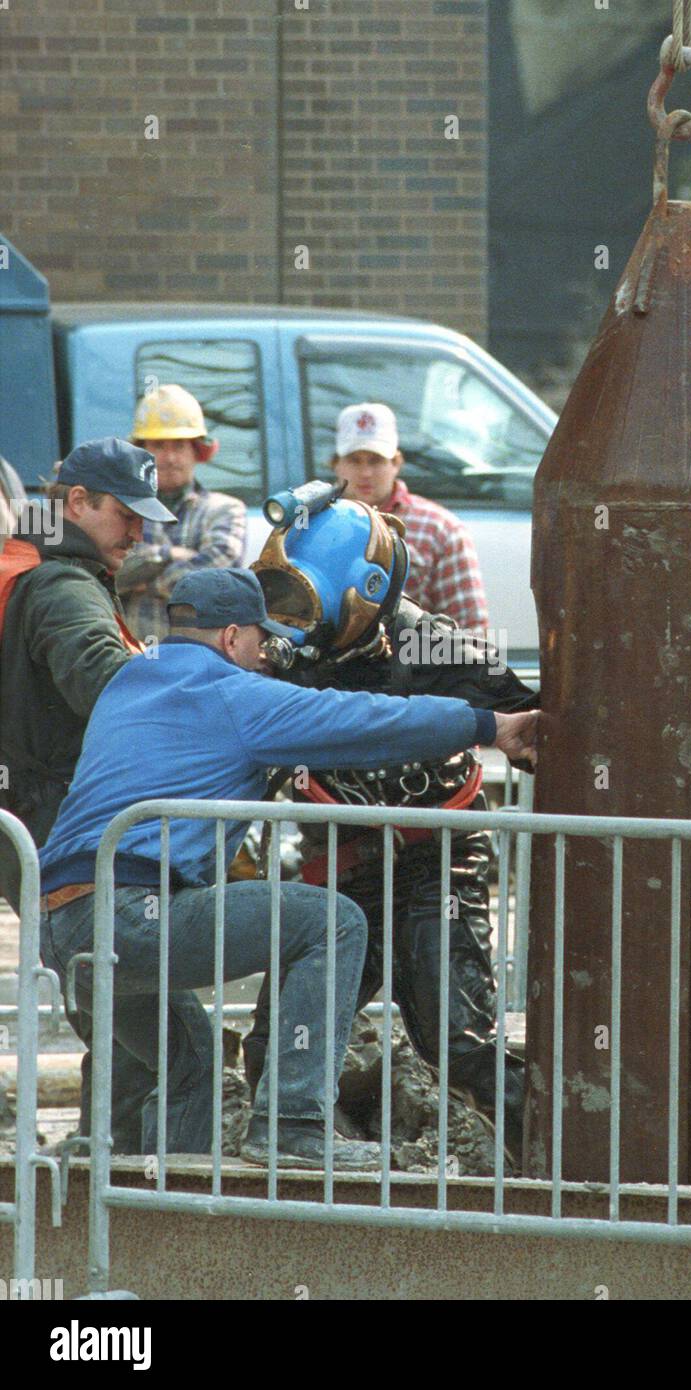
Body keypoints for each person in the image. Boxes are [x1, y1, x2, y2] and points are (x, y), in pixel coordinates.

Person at [37, 567, 538, 1169]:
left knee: (187, 1061)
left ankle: (156, 1200)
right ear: (229, 638)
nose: (265, 653)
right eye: (257, 639)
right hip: (134, 916)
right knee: (332, 923)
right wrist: (489, 725)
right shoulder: (234, 697)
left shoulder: (130, 680)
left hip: (64, 931)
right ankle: (292, 1125)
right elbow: (359, 720)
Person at [246, 480, 537, 1163]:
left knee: (457, 1042)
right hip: (339, 867)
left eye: (306, 603)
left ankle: (547, 1166)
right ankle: (285, 1171)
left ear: (366, 592)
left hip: (435, 860)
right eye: (283, 603)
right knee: (278, 1038)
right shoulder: (292, 656)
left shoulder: (431, 646)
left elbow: (533, 724)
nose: (295, 625)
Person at [0, 438, 176, 1146]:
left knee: (115, 999)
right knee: (135, 1006)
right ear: (76, 502)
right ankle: (119, 1168)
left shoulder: (53, 572)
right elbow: (102, 681)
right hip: (59, 829)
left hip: (39, 823)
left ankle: (110, 1154)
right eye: (124, 513)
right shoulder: (64, 586)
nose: (137, 531)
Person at [330, 402, 489, 633]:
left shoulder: (441, 529)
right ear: (336, 464)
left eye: (376, 460)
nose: (365, 473)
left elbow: (471, 632)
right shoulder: (313, 522)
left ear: (396, 463)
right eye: (354, 460)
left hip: (414, 662)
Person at [117, 384, 247, 642]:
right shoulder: (122, 509)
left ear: (198, 451)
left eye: (179, 446)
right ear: (141, 453)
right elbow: (114, 574)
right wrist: (171, 554)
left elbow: (213, 584)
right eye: (159, 446)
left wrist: (145, 576)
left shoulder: (226, 510)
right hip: (132, 659)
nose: (170, 458)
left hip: (199, 661)